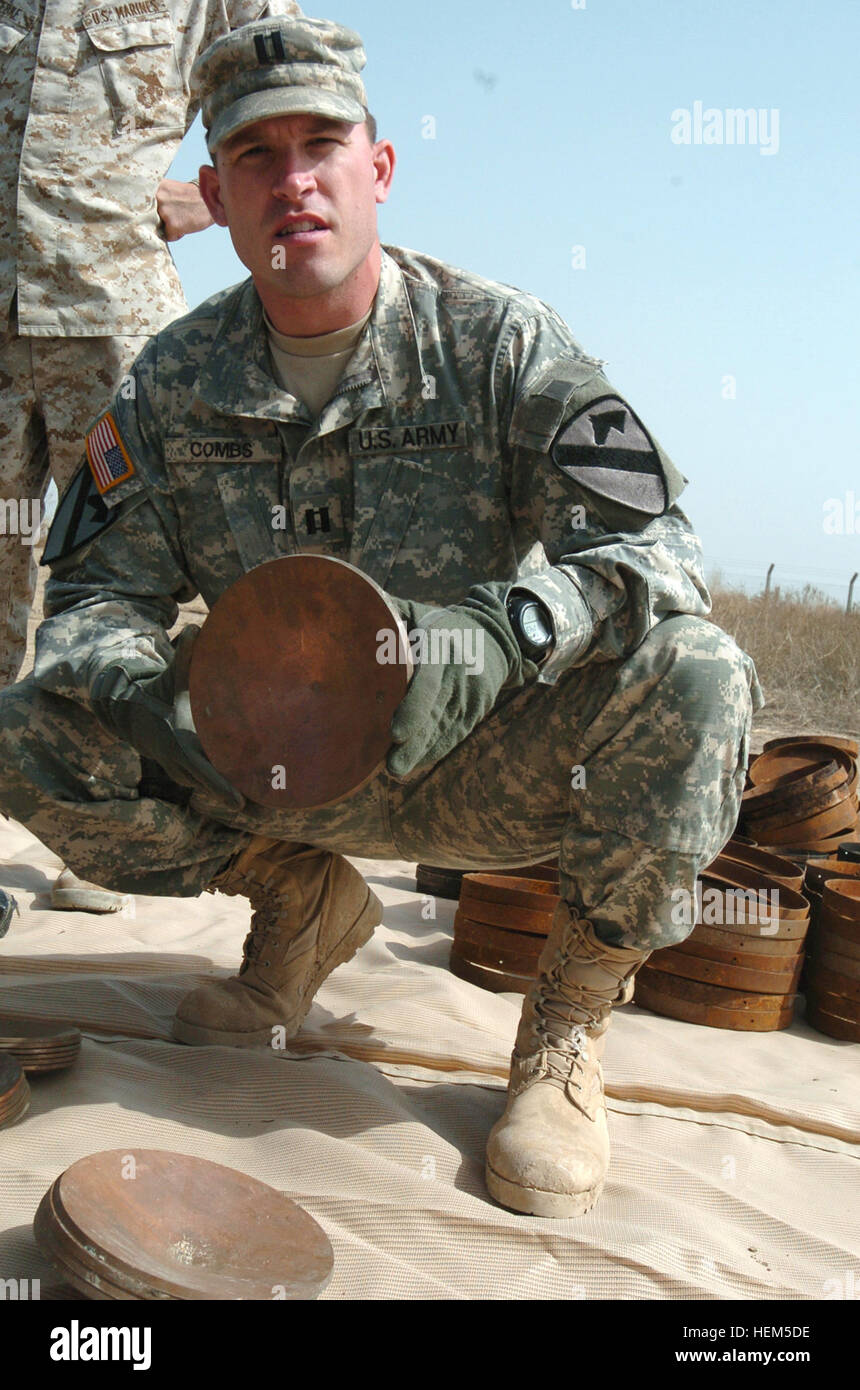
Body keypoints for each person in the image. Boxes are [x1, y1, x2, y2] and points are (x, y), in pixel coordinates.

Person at [0, 15, 762, 1218]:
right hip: (260, 763)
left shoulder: (497, 345)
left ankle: (564, 1021)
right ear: (214, 192)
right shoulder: (169, 381)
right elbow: (95, 599)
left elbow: (656, 546)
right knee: (31, 725)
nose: (291, 180)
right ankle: (294, 898)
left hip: (471, 761)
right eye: (254, 156)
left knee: (697, 673)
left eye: (320, 145)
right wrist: (157, 694)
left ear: (379, 169)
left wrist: (505, 627)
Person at [0, 0, 302, 910]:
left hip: (113, 324)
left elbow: (282, 78)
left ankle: (110, 835)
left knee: (132, 587)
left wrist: (214, 196)